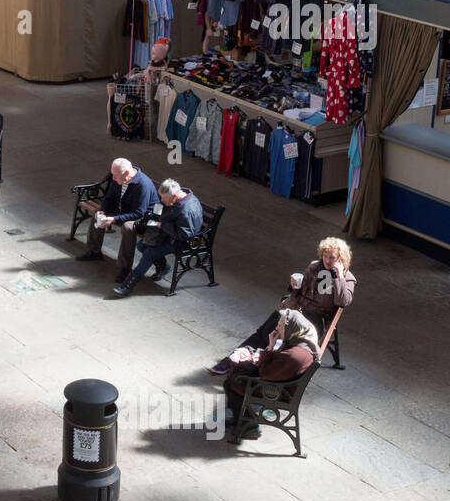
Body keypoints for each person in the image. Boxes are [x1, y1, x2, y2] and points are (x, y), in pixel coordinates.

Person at [209, 237, 355, 374]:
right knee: (264, 331)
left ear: (341, 259)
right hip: (294, 306)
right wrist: (294, 285)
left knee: (274, 334)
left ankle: (252, 362)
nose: (327, 260)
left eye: (332, 257)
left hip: (313, 317)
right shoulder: (314, 266)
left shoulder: (347, 278)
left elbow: (343, 301)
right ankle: (232, 359)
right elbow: (296, 290)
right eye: (325, 256)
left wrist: (339, 277)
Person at [221, 308, 319, 440]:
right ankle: (241, 420)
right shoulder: (300, 342)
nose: (277, 329)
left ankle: (249, 427)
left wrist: (271, 347)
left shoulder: (294, 355)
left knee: (234, 382)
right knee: (239, 373)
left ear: (291, 328)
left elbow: (266, 373)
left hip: (279, 391)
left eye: (280, 326)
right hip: (282, 382)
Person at [112, 179, 203, 296]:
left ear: (175, 196)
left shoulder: (187, 210)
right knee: (141, 245)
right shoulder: (179, 197)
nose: (162, 200)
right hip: (169, 234)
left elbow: (183, 235)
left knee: (149, 253)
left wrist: (163, 225)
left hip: (181, 241)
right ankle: (164, 267)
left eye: (164, 198)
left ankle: (128, 286)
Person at [75, 159, 159, 279]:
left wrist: (114, 219)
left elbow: (139, 213)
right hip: (122, 210)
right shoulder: (119, 179)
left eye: (115, 176)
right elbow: (109, 198)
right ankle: (94, 251)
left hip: (142, 219)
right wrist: (101, 210)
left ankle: (125, 268)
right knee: (97, 214)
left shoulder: (142, 184)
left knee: (128, 227)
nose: (113, 178)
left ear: (126, 174)